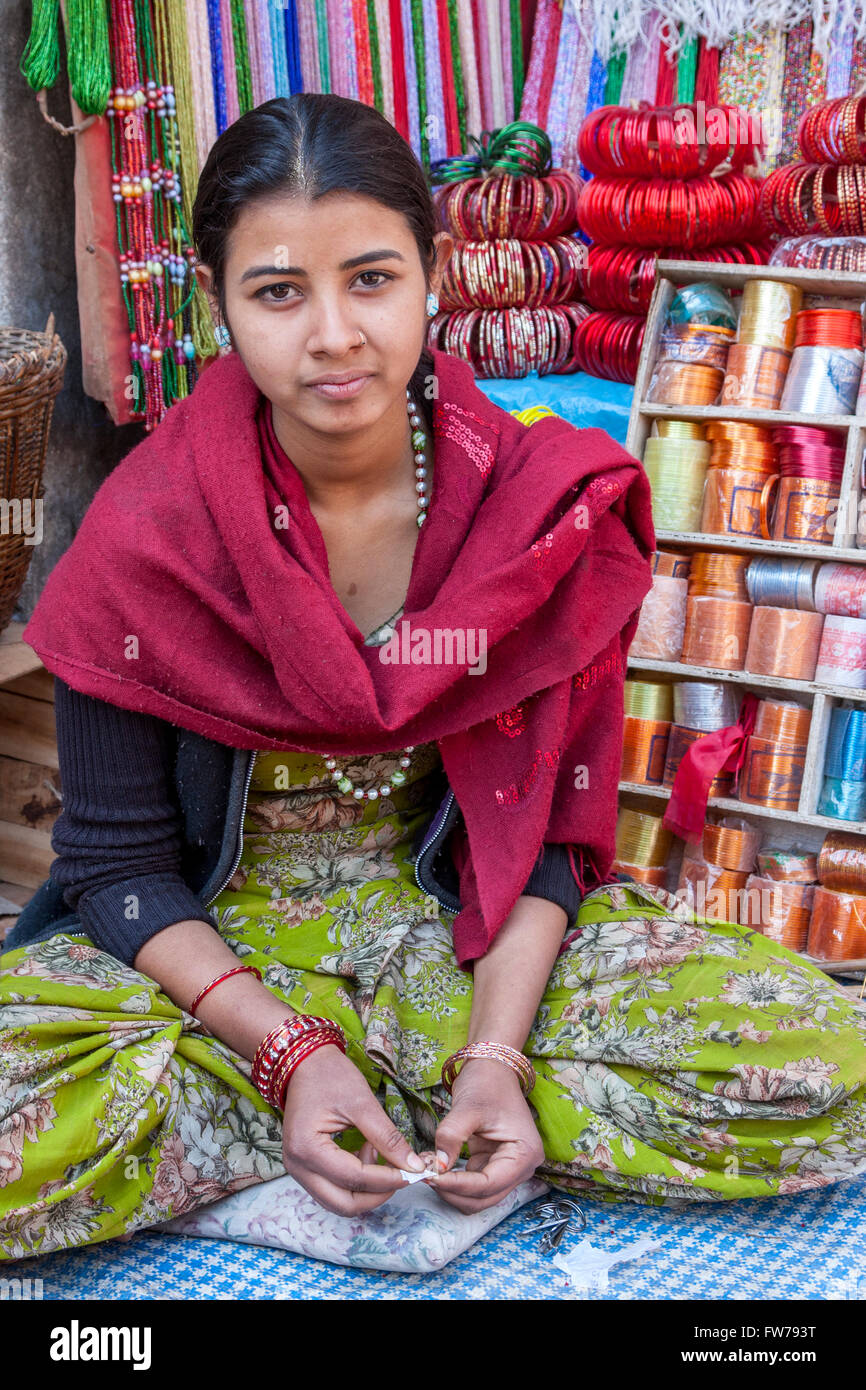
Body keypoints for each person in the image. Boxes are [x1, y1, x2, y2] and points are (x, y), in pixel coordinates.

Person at [2, 93, 866, 1265]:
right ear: (216, 304)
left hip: (454, 941)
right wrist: (287, 1052)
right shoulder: (146, 534)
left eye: (370, 279)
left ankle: (398, 1117)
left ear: (436, 273)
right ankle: (312, 1110)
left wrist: (497, 1056)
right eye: (275, 292)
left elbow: (557, 838)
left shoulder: (536, 512)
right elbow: (117, 868)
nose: (332, 336)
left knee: (823, 1062)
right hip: (210, 969)